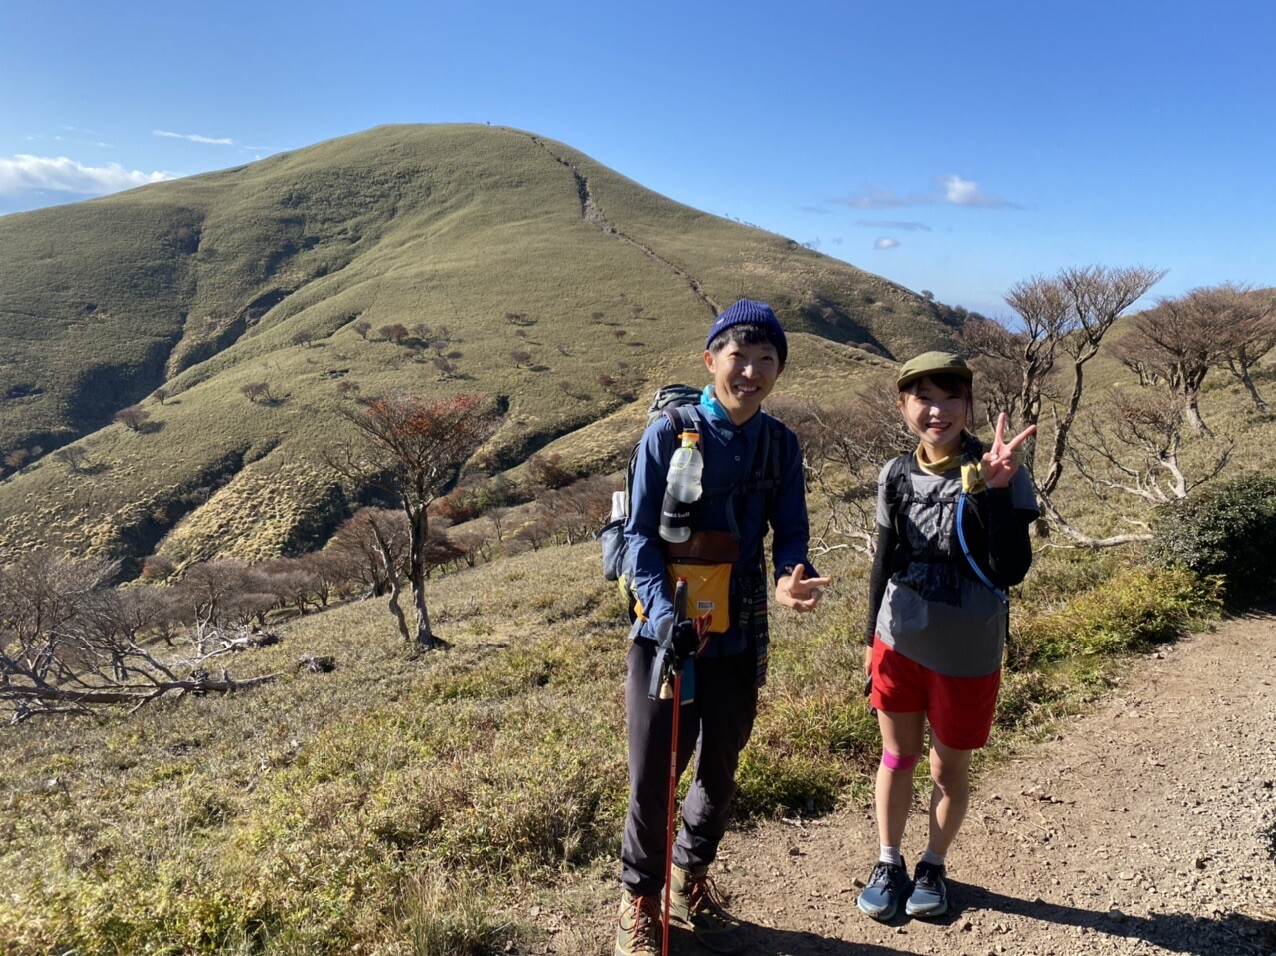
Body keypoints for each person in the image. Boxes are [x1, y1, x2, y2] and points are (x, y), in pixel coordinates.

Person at [616, 299, 830, 956]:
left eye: (768, 359)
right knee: (656, 770)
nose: (753, 370)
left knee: (721, 764)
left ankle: (694, 875)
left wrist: (792, 574)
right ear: (711, 361)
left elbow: (789, 529)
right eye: (740, 355)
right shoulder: (668, 435)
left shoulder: (781, 445)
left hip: (740, 630)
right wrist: (663, 611)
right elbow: (638, 539)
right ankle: (639, 900)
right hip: (668, 634)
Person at [856, 351, 1038, 921]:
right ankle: (889, 861)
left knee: (947, 768)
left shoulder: (998, 467)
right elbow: (884, 560)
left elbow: (1009, 568)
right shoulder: (894, 474)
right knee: (896, 755)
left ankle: (933, 862)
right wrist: (869, 638)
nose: (937, 411)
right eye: (923, 398)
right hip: (897, 642)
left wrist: (994, 492)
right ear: (903, 405)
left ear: (968, 405)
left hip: (967, 652)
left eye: (950, 397)